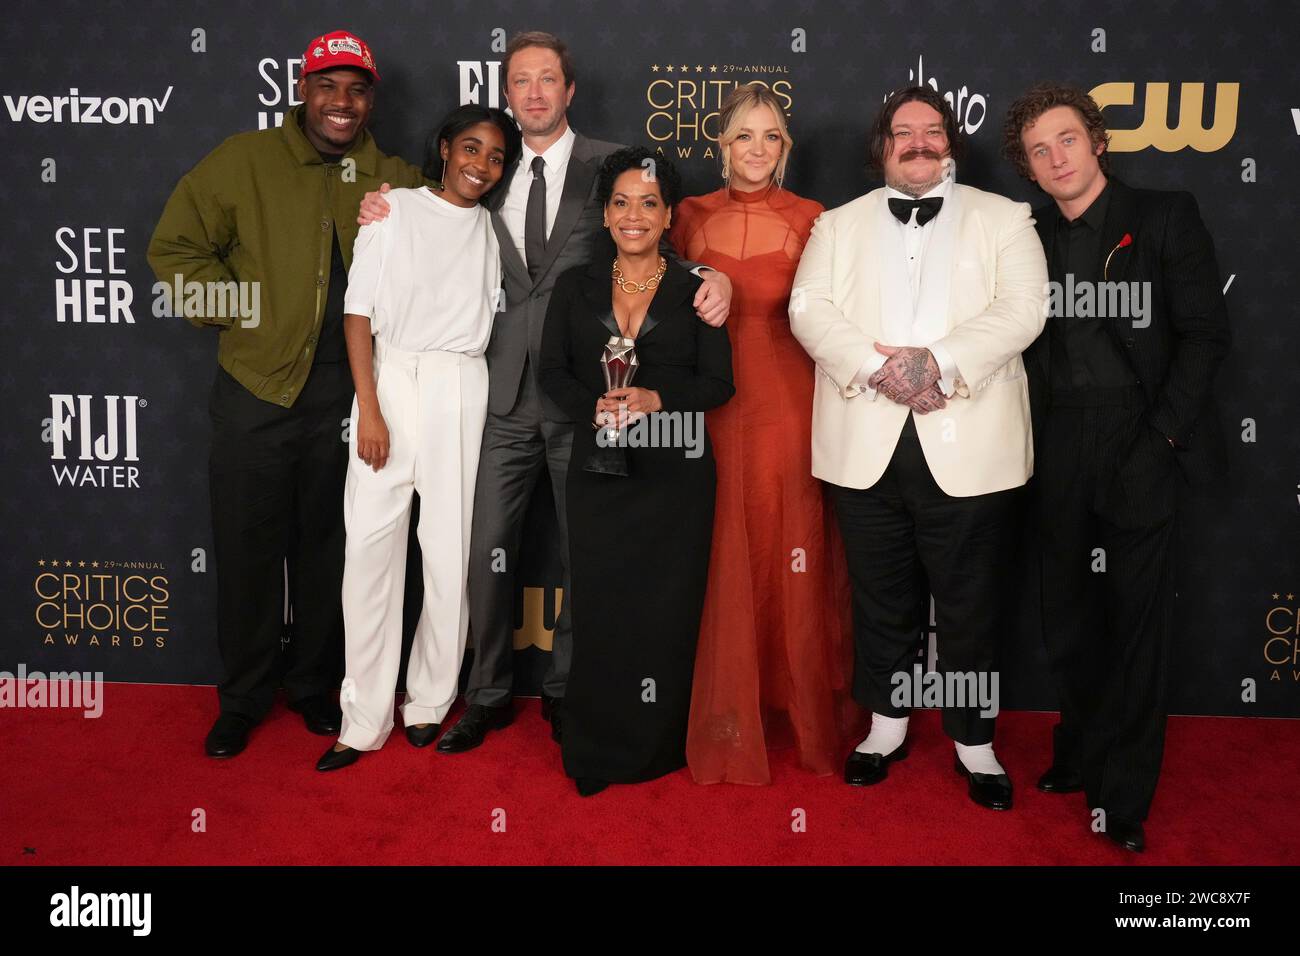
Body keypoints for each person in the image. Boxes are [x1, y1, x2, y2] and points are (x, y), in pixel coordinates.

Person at [358, 32, 732, 754]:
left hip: (591, 397)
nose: (533, 93)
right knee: (483, 551)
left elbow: (648, 235)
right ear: (509, 95)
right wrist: (381, 202)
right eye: (520, 81)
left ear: (569, 92)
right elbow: (428, 206)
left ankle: (566, 689)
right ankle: (489, 692)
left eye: (546, 80)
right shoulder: (486, 166)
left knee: (581, 552)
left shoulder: (609, 166)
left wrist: (715, 277)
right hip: (496, 396)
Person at [147, 31, 423, 758]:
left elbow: (447, 229)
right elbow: (172, 253)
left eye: (357, 90)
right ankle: (241, 698)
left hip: (348, 401)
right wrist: (249, 309)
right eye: (328, 86)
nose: (342, 102)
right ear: (302, 90)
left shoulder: (389, 172)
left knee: (330, 551)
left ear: (371, 100)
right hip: (257, 392)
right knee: (246, 552)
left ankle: (311, 687)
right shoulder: (243, 162)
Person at [789, 86, 1048, 810]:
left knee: (969, 603)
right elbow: (809, 310)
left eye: (933, 132)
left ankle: (974, 740)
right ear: (882, 146)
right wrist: (885, 372)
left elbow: (1024, 309)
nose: (919, 144)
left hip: (971, 441)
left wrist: (935, 364)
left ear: (952, 144)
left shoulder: (1006, 218)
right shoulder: (835, 225)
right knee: (881, 597)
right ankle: (886, 725)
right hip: (864, 442)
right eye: (904, 133)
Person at [1002, 84, 1231, 850]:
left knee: (1136, 628)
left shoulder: (1163, 215)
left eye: (1066, 140)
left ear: (1097, 142)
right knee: (1067, 620)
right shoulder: (1023, 234)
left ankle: (1124, 794)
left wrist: (1161, 440)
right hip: (1055, 442)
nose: (1054, 157)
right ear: (1028, 170)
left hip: (1140, 438)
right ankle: (1082, 755)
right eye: (1038, 150)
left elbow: (1203, 336)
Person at [667, 83, 862, 785]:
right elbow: (641, 284)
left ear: (785, 149)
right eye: (744, 135)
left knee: (792, 545)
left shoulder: (815, 218)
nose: (757, 148)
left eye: (771, 136)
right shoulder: (685, 216)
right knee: (723, 546)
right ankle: (726, 712)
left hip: (789, 403)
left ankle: (796, 706)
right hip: (712, 404)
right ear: (722, 145)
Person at [316, 106, 521, 771]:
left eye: (494, 156)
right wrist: (369, 409)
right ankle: (362, 716)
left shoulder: (493, 231)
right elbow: (357, 313)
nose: (480, 165)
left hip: (463, 385)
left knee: (449, 553)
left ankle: (431, 698)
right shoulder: (394, 209)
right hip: (391, 380)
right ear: (443, 148)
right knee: (370, 553)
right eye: (470, 149)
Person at [538, 148, 734, 795]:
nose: (633, 215)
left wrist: (656, 400)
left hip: (675, 478)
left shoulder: (696, 288)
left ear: (669, 213)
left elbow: (719, 384)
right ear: (604, 212)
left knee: (663, 610)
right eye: (621, 202)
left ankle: (656, 745)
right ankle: (597, 746)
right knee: (600, 606)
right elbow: (553, 375)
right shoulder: (576, 287)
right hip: (598, 473)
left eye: (648, 202)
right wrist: (590, 406)